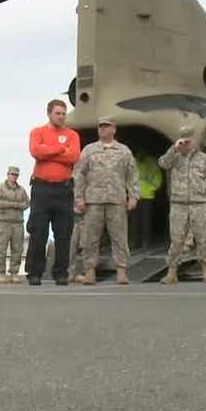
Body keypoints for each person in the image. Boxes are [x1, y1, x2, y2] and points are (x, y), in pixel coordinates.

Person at [74, 117, 139, 285]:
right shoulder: (89, 150)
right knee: (90, 237)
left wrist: (133, 196)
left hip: (116, 200)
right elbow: (79, 175)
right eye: (100, 126)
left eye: (106, 126)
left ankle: (122, 271)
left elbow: (132, 175)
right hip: (93, 201)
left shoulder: (124, 151)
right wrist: (79, 198)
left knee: (119, 237)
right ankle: (89, 271)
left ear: (114, 129)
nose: (103, 129)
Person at [25, 99, 81, 286]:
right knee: (38, 232)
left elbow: (73, 156)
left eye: (64, 113)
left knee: (63, 234)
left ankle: (61, 272)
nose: (61, 116)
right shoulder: (37, 132)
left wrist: (48, 152)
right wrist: (59, 149)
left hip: (63, 190)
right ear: (49, 114)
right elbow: (35, 151)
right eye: (58, 113)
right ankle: (35, 273)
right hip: (41, 189)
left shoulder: (72, 135)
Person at [158, 126, 206, 285]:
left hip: (199, 204)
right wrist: (174, 149)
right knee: (176, 240)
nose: (186, 144)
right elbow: (163, 163)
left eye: (188, 141)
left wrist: (202, 192)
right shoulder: (175, 157)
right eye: (183, 141)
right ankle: (172, 272)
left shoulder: (204, 159)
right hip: (179, 204)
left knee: (202, 238)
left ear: (194, 141)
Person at [0, 165, 29, 283]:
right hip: (3, 222)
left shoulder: (21, 190)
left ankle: (14, 272)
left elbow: (26, 203)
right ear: (8, 175)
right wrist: (13, 204)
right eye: (12, 174)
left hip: (18, 223)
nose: (14, 177)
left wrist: (16, 205)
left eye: (16, 175)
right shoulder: (0, 188)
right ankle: (0, 273)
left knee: (17, 248)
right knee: (1, 248)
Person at [132, 151, 162, 250]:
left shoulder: (151, 162)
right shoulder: (132, 161)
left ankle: (146, 242)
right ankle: (135, 241)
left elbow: (157, 175)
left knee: (146, 221)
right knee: (134, 220)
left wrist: (153, 187)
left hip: (147, 195)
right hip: (135, 195)